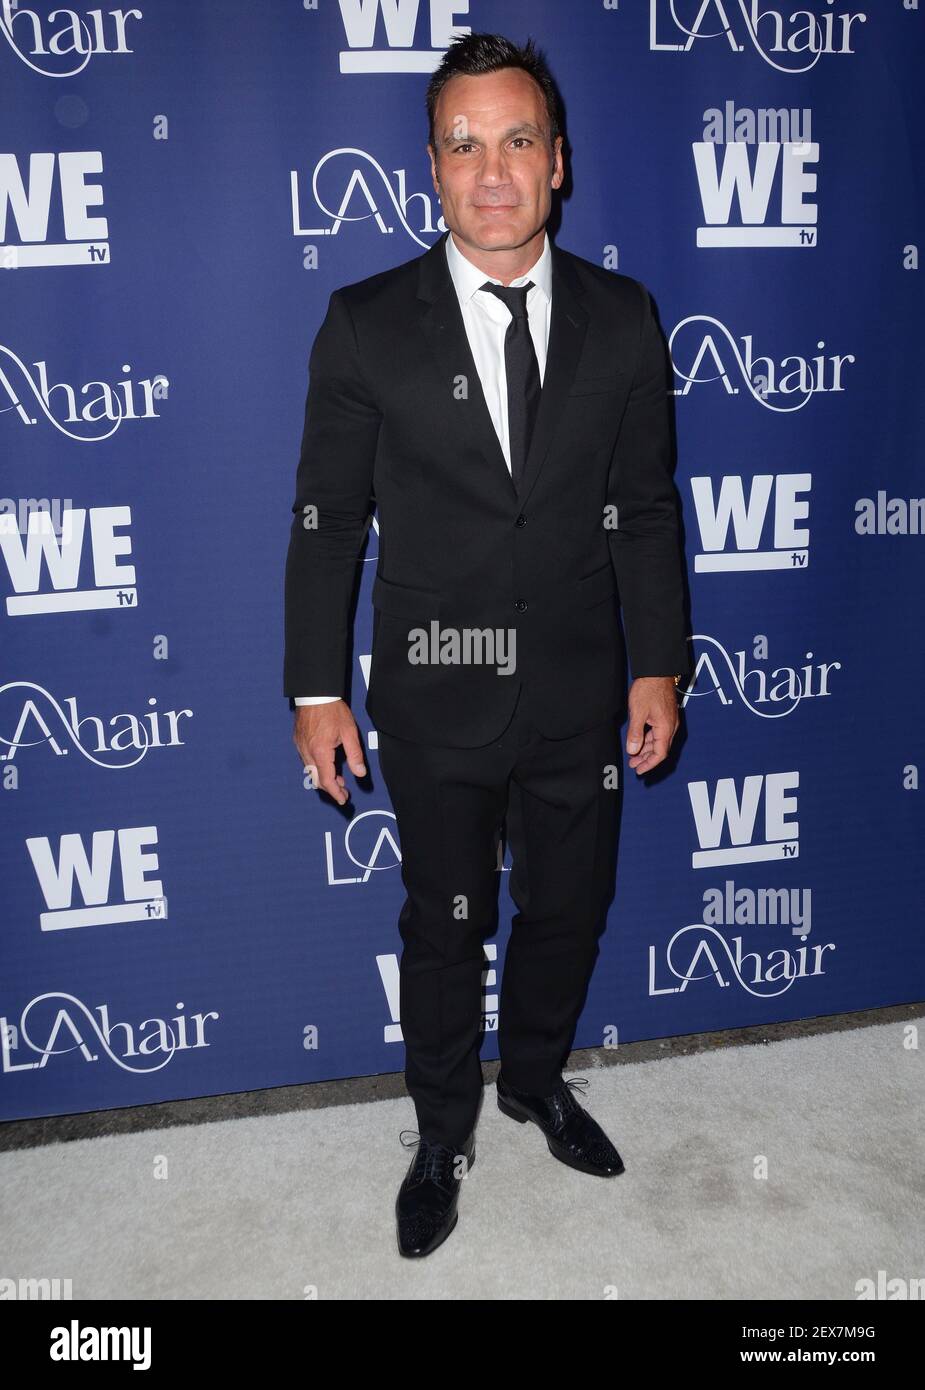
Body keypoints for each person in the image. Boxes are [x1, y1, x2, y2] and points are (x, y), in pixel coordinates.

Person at [284, 31, 690, 1259]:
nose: (493, 170)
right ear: (432, 168)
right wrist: (315, 687)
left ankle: (533, 1082)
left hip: (578, 691)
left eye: (518, 140)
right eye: (465, 145)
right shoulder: (363, 326)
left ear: (558, 162)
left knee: (569, 906)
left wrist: (657, 660)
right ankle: (443, 1131)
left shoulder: (623, 319)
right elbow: (323, 521)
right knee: (444, 927)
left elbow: (649, 506)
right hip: (433, 691)